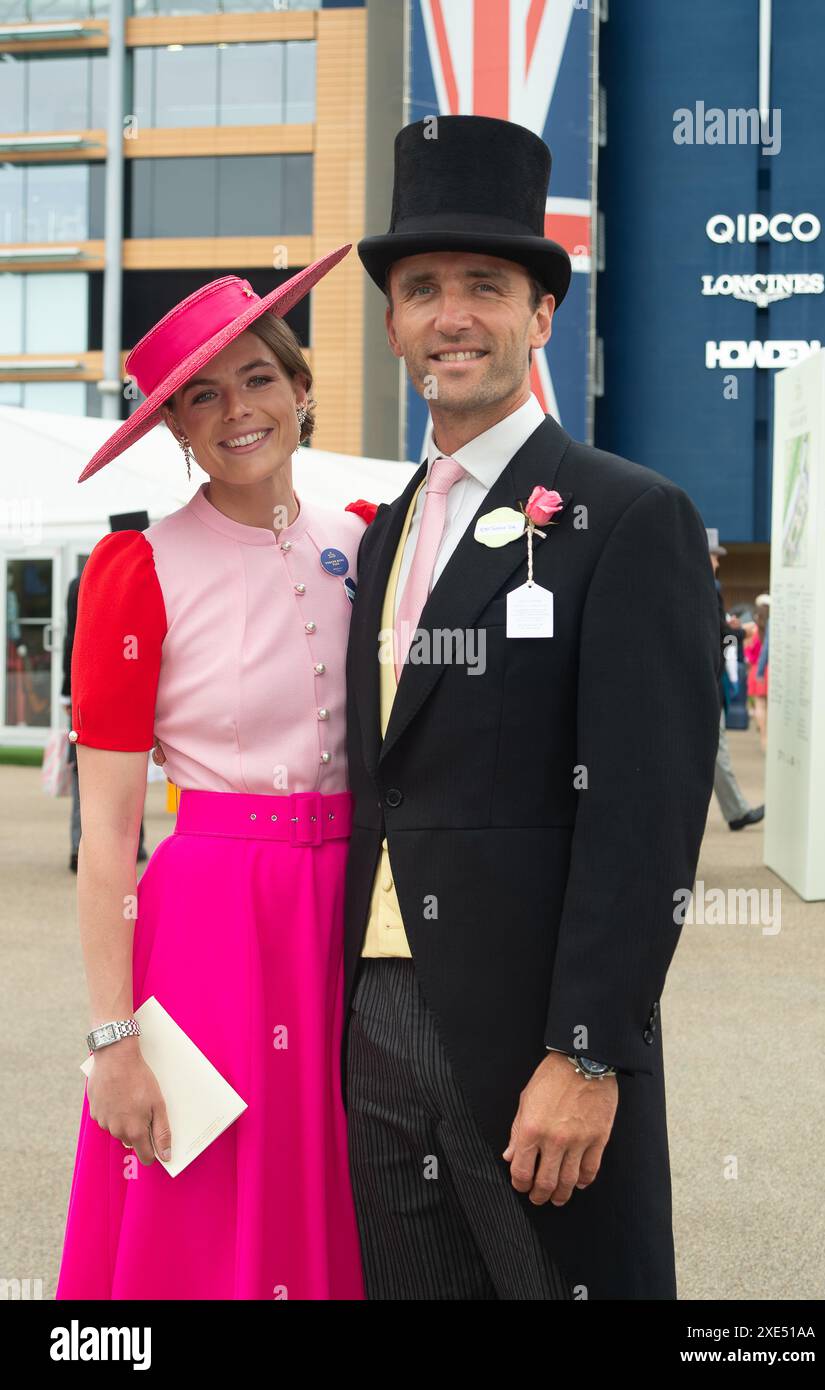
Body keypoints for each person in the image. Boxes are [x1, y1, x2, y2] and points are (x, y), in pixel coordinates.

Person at [340, 115, 720, 1300]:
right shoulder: (390, 530)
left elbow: (647, 814)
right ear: (395, 322)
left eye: (484, 287)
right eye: (423, 290)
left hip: (531, 1033)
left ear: (540, 314)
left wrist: (587, 1052)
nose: (451, 315)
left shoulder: (627, 515)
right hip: (374, 1017)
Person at [55, 248, 366, 1300]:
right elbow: (107, 840)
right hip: (211, 927)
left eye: (259, 377)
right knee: (201, 1188)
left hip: (355, 916)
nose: (238, 409)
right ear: (176, 429)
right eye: (202, 396)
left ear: (304, 387)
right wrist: (114, 1042)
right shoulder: (136, 572)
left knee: (355, 1176)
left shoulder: (369, 544)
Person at [61, 513, 150, 874]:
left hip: (95, 683)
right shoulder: (138, 573)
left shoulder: (80, 579)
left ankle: (80, 846)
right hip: (119, 683)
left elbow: (73, 640)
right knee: (118, 773)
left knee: (92, 774)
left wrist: (69, 691)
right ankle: (127, 844)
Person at [707, 532, 765, 830]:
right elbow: (718, 634)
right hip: (709, 680)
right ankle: (737, 812)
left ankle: (736, 811)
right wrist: (742, 634)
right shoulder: (711, 585)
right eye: (715, 556)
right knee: (717, 749)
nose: (718, 561)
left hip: (701, 678)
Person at [744, 593, 770, 751]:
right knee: (770, 706)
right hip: (772, 668)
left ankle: (764, 737)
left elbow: (747, 652)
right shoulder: (774, 627)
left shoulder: (753, 630)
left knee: (760, 705)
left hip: (757, 670)